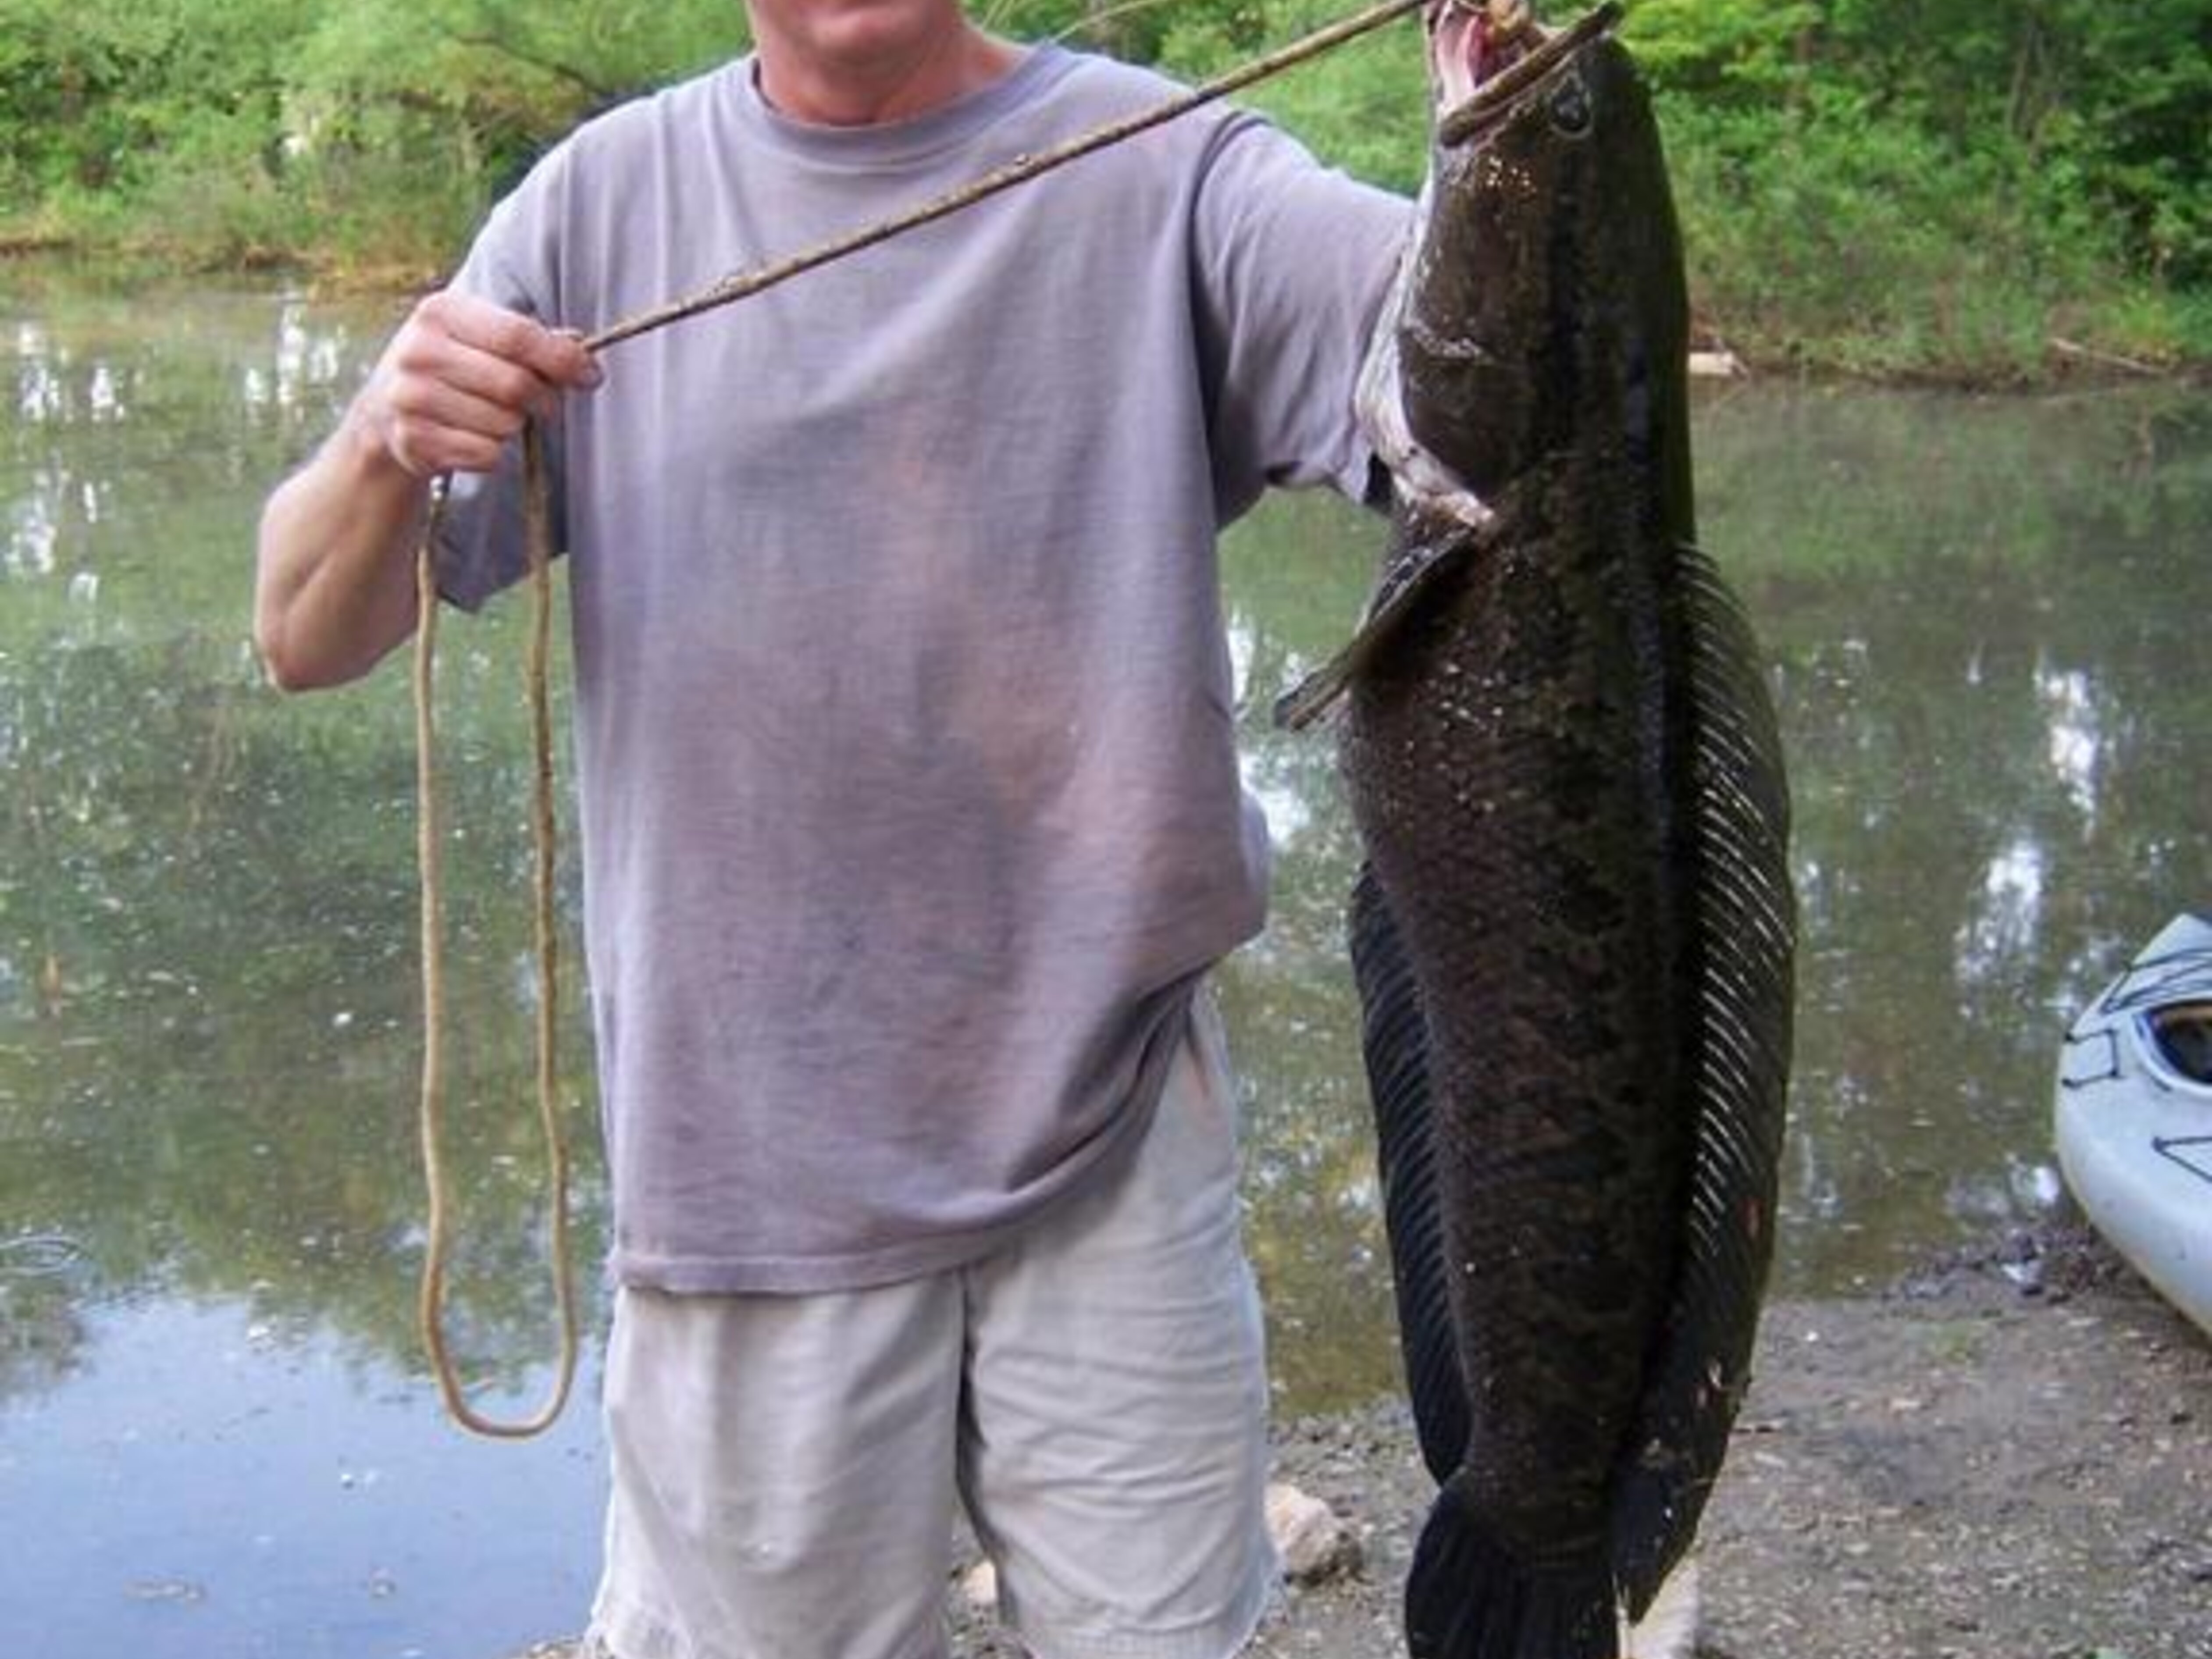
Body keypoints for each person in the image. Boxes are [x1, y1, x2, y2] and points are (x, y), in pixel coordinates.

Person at [255, 0, 1411, 1655]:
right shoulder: (597, 209)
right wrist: (385, 434)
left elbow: (1474, 364)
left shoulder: (1175, 171)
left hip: (1113, 1107)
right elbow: (303, 629)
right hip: (745, 1152)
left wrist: (1510, 122)